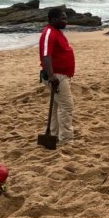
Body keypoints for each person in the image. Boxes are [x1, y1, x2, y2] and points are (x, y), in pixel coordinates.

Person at [39, 9, 75, 146]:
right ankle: (66, 139)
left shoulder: (57, 31)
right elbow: (46, 55)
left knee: (57, 107)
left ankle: (55, 136)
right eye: (63, 19)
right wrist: (52, 75)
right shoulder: (49, 33)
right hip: (57, 76)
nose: (66, 21)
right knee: (67, 106)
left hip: (62, 75)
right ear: (53, 19)